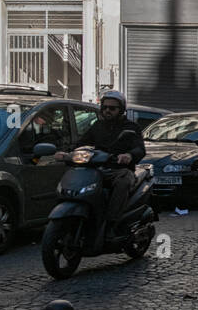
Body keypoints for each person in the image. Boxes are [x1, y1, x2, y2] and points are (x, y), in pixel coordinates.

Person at [57, 90, 145, 233]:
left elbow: (140, 149)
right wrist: (67, 153)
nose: (107, 111)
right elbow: (82, 143)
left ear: (121, 110)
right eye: (105, 107)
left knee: (123, 181)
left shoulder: (131, 127)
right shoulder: (97, 126)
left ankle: (112, 223)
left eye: (112, 108)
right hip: (96, 169)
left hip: (119, 170)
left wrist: (129, 155)